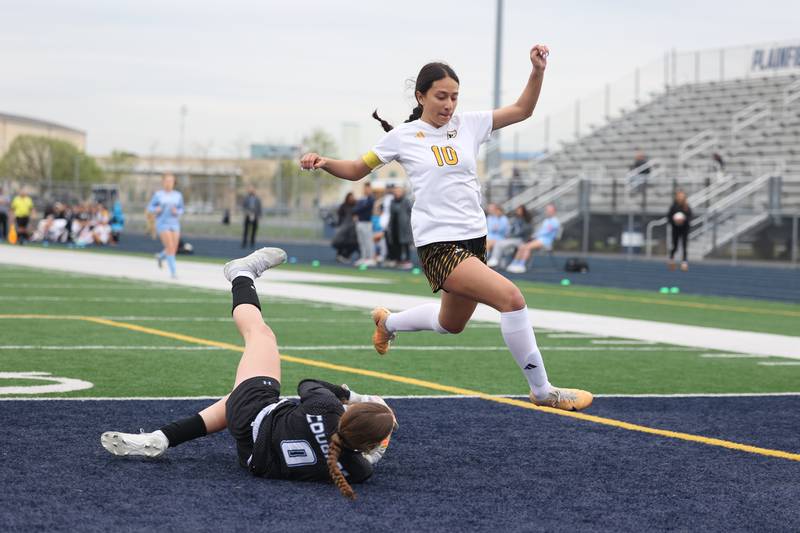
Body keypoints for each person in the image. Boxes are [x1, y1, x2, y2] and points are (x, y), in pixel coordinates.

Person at [300, 45, 592, 411]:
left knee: (450, 324)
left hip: (474, 241)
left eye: (454, 97)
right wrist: (324, 161)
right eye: (441, 96)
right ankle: (542, 391)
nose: (449, 104)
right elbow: (357, 169)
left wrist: (537, 71)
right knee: (512, 299)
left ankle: (388, 323)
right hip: (439, 246)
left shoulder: (469, 125)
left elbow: (523, 110)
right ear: (421, 96)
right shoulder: (402, 137)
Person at [100, 248, 397, 500]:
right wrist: (381, 438)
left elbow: (308, 384)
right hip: (253, 460)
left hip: (255, 416)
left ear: (350, 415)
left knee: (260, 335)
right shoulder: (358, 471)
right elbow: (369, 458)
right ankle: (162, 437)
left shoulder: (327, 409)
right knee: (234, 401)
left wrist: (360, 398)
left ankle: (241, 274)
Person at [147, 173, 184, 278]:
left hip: (174, 223)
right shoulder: (158, 195)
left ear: (174, 183)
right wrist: (156, 209)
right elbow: (150, 207)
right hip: (162, 223)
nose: (169, 183)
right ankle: (173, 272)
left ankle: (160, 256)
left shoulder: (178, 195)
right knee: (169, 247)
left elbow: (181, 209)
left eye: (171, 181)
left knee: (174, 248)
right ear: (163, 182)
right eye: (167, 181)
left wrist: (177, 211)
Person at [505, 204, 560, 274]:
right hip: (539, 240)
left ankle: (521, 265)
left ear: (554, 211)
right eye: (547, 210)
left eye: (549, 210)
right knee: (522, 246)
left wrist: (534, 236)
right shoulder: (547, 220)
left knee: (527, 247)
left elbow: (545, 232)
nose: (547, 211)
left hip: (546, 241)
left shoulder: (555, 221)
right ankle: (514, 264)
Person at [387, 186, 413, 269]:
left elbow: (411, 212)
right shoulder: (392, 201)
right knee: (396, 244)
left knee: (405, 244)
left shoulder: (406, 201)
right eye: (395, 191)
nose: (397, 193)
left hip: (404, 226)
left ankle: (407, 261)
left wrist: (408, 222)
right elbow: (391, 214)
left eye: (398, 191)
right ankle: (397, 260)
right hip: (395, 225)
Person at [667, 190, 692, 272]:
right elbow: (669, 217)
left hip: (684, 229)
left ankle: (684, 263)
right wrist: (675, 221)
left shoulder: (687, 207)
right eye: (679, 196)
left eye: (682, 196)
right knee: (675, 245)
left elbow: (689, 217)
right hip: (676, 229)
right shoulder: (674, 207)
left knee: (684, 245)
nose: (680, 198)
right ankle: (671, 260)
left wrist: (683, 220)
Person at [353, 183, 376, 266]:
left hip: (367, 222)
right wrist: (357, 210)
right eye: (365, 188)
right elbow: (355, 209)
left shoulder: (371, 199)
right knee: (361, 241)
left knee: (368, 241)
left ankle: (371, 258)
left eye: (368, 188)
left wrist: (357, 210)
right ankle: (363, 257)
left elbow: (363, 208)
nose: (367, 190)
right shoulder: (362, 199)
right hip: (360, 221)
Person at [332, 192, 359, 263]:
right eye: (350, 197)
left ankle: (346, 256)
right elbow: (339, 216)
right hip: (344, 227)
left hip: (352, 229)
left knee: (352, 243)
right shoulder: (343, 206)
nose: (352, 199)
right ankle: (339, 255)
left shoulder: (355, 205)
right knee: (340, 241)